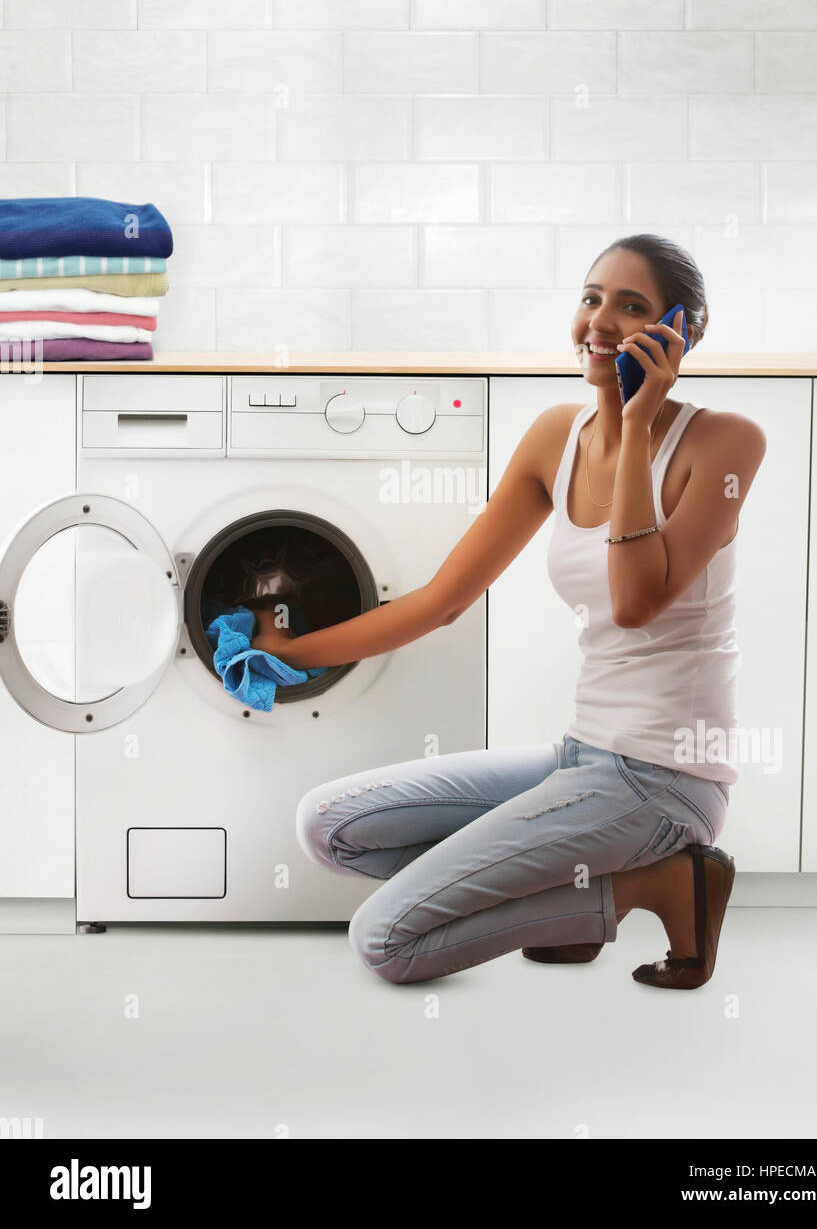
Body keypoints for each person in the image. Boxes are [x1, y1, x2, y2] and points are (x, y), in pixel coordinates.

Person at [259, 234, 766, 989]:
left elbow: (634, 602)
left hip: (666, 780)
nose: (600, 321)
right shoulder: (557, 435)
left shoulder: (725, 443)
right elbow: (441, 601)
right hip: (581, 755)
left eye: (633, 307)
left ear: (680, 333)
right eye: (591, 297)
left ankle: (653, 885)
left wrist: (634, 425)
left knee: (385, 943)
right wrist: (286, 655)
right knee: (329, 827)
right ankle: (573, 904)